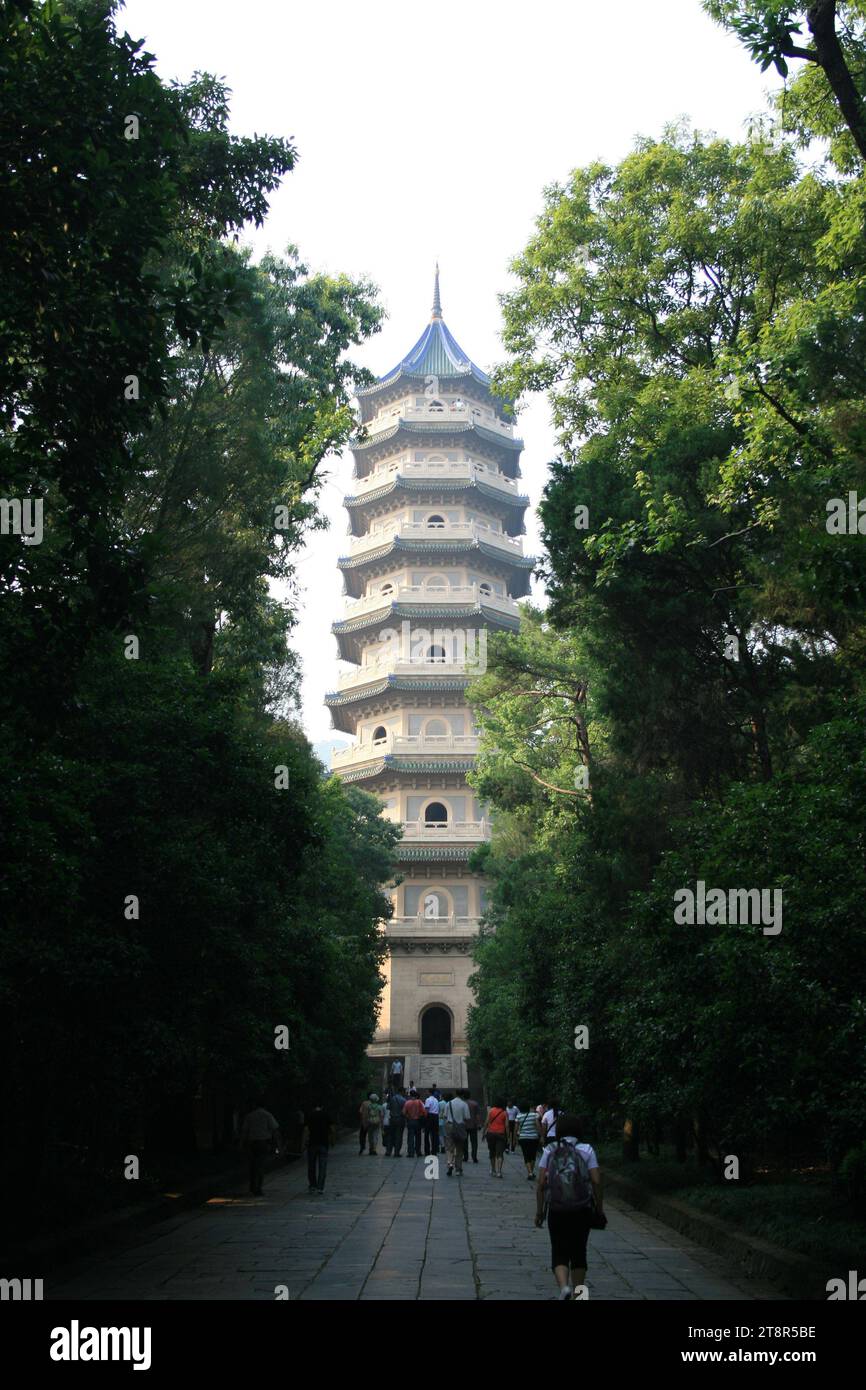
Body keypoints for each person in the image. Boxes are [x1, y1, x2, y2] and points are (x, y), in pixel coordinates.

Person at [534, 1113, 605, 1300]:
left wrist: (539, 1212)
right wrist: (599, 1208)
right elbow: (597, 1181)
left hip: (557, 1209)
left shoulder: (550, 1149)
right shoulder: (587, 1149)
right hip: (582, 1209)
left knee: (559, 1250)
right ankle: (580, 1296)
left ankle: (564, 1287)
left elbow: (541, 1183)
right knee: (580, 1251)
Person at [239, 1100, 280, 1197]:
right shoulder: (267, 1115)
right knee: (260, 1165)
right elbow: (275, 1129)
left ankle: (252, 1186)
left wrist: (241, 1144)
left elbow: (244, 1131)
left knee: (252, 1165)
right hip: (263, 1143)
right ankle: (258, 1188)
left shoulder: (249, 1116)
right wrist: (278, 1145)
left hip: (251, 1143)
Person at [302, 1102, 336, 1194]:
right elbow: (332, 1129)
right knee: (322, 1166)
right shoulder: (326, 1115)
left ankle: (312, 1185)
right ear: (322, 1106)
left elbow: (306, 1130)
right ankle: (320, 1187)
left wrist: (303, 1143)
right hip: (323, 1143)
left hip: (312, 1144)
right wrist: (333, 1141)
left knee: (311, 1166)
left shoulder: (309, 1115)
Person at [444, 1090, 471, 1176]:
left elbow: (445, 1115)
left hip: (450, 1126)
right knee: (459, 1149)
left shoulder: (449, 1103)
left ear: (455, 1094)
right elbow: (467, 1117)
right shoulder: (464, 1104)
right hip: (460, 1127)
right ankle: (458, 1169)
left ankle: (450, 1164)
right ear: (463, 1095)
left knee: (449, 1147)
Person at [481, 1098, 508, 1178]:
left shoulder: (491, 1111)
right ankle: (499, 1171)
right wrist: (508, 1137)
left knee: (492, 1152)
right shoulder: (504, 1113)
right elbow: (506, 1125)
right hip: (501, 1134)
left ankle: (493, 1170)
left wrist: (483, 1133)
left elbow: (486, 1122)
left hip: (491, 1134)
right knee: (500, 1153)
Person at [516, 1101, 541, 1180]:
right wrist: (540, 1135)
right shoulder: (534, 1115)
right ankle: (531, 1172)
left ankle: (530, 1172)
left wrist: (515, 1139)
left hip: (523, 1138)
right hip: (534, 1138)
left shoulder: (518, 1116)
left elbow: (516, 1129)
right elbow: (537, 1125)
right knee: (533, 1156)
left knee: (526, 1155)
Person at [403, 1089, 426, 1157]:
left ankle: (410, 1152)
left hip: (410, 1121)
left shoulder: (407, 1102)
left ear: (410, 1095)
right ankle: (418, 1152)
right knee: (418, 1137)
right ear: (416, 1095)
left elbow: (403, 1112)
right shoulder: (419, 1102)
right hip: (418, 1122)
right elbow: (424, 1112)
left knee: (410, 1137)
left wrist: (408, 1117)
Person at [462, 1091, 480, 1164]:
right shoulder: (475, 1104)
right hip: (473, 1125)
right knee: (474, 1142)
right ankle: (474, 1157)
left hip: (464, 1125)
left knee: (464, 1142)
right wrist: (479, 1124)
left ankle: (465, 1157)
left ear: (463, 1096)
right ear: (470, 1096)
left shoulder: (462, 1104)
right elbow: (477, 1115)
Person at [388, 1088, 406, 1156]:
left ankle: (388, 1151)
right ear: (402, 1092)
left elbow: (388, 1107)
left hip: (392, 1119)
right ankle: (396, 1152)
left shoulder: (392, 1098)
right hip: (400, 1119)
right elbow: (404, 1112)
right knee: (399, 1136)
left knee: (390, 1135)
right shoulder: (403, 1100)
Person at [423, 1087, 440, 1156]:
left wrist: (425, 1119)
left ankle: (427, 1151)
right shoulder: (436, 1100)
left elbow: (427, 1109)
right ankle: (434, 1151)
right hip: (436, 1117)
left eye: (427, 1091)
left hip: (430, 1117)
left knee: (426, 1134)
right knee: (435, 1135)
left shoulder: (428, 1099)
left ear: (429, 1092)